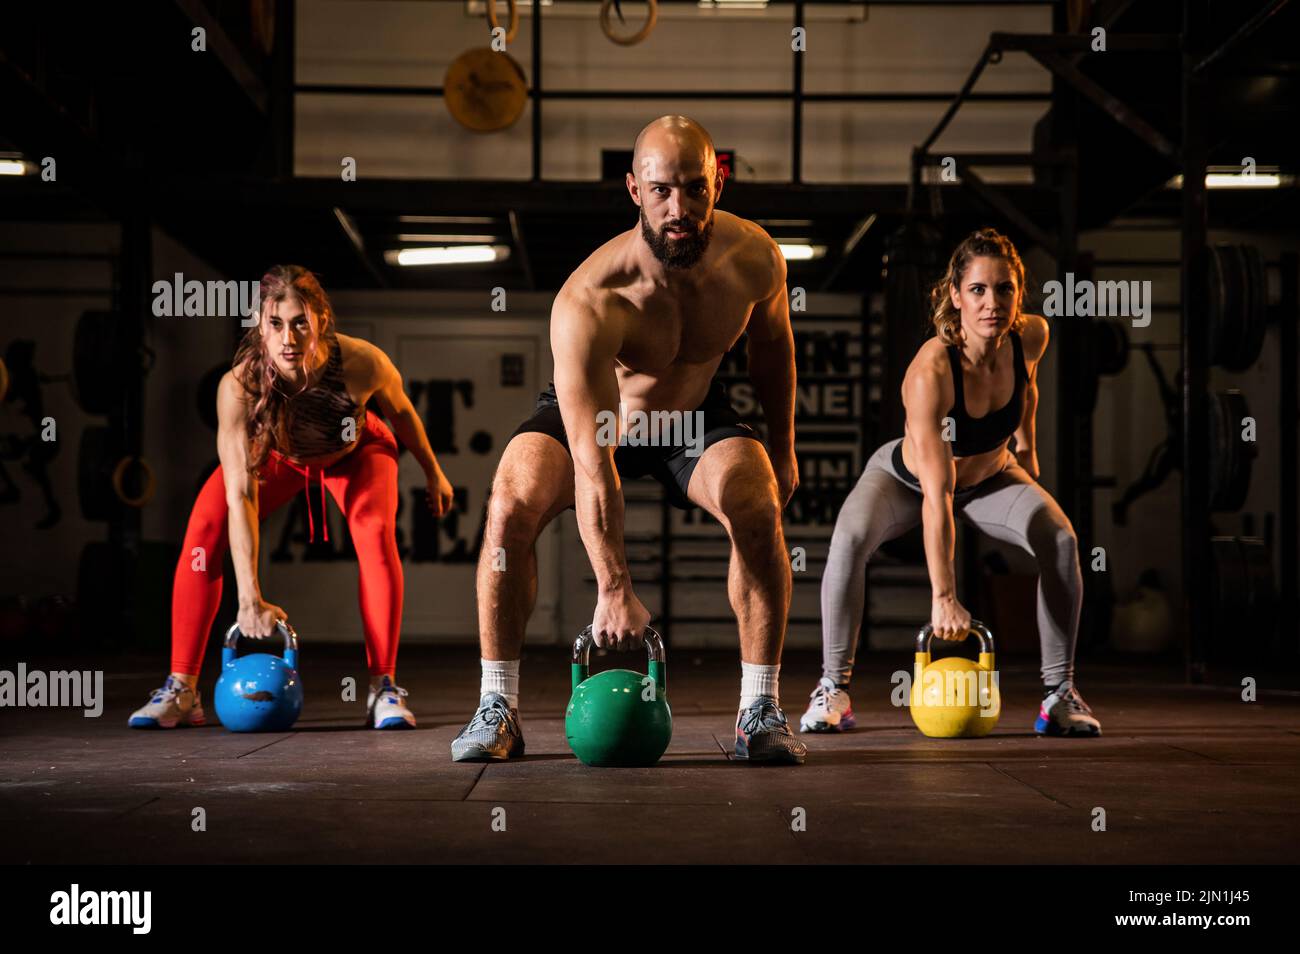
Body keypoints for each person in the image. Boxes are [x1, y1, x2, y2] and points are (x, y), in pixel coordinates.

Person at [451, 115, 807, 764]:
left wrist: (782, 447)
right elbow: (594, 461)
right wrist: (613, 585)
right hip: (595, 422)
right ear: (634, 190)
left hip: (691, 417)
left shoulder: (754, 257)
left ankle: (761, 710)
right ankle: (496, 704)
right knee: (509, 506)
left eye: (694, 189)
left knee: (757, 506)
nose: (680, 208)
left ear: (718, 184)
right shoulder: (591, 299)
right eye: (662, 190)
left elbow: (774, 351)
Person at [801, 228, 1101, 737]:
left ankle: (1059, 695)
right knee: (849, 539)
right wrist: (944, 596)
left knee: (1062, 540)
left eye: (1004, 289)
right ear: (956, 296)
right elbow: (937, 497)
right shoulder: (932, 370)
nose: (992, 303)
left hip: (991, 476)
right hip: (907, 481)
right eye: (979, 290)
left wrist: (1028, 448)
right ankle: (834, 688)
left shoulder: (1031, 334)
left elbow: (1027, 389)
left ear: (1018, 293)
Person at [128, 265, 454, 730]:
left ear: (321, 319)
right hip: (278, 459)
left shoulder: (362, 362)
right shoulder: (239, 386)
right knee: (202, 538)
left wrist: (433, 470)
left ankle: (383, 686)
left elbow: (401, 413)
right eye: (276, 323)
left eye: (300, 321)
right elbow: (240, 492)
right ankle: (182, 688)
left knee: (376, 537)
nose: (288, 337)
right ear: (261, 324)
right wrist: (249, 598)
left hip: (353, 453)